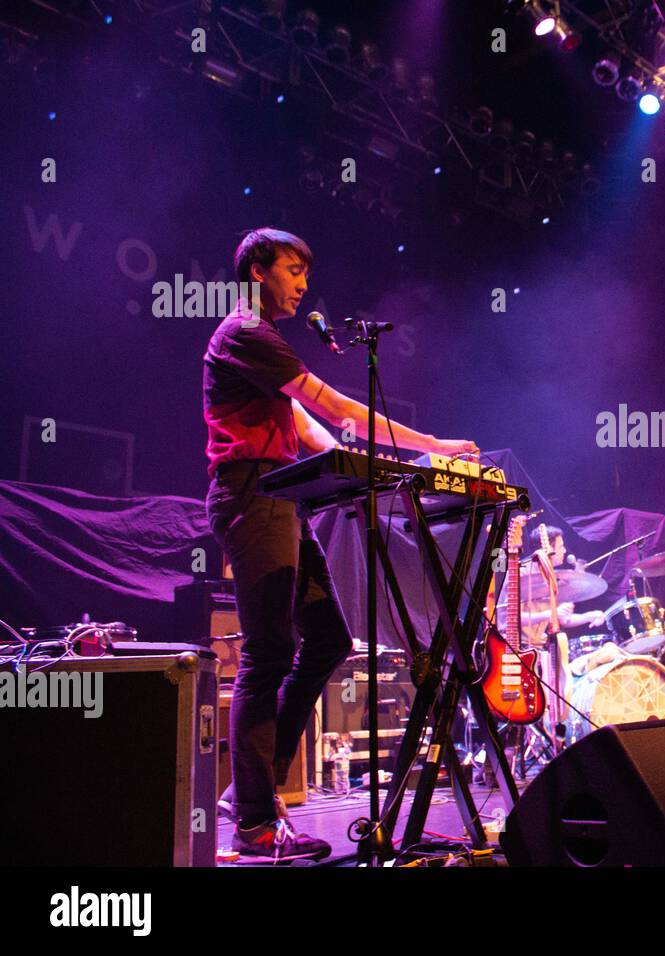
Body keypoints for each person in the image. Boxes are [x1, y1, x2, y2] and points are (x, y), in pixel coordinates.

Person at [203, 227, 478, 862]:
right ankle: (251, 825)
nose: (303, 284)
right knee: (268, 654)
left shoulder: (261, 347)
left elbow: (318, 431)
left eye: (305, 272)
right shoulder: (244, 333)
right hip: (252, 495)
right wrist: (433, 447)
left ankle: (255, 783)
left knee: (327, 639)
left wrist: (376, 472)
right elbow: (338, 407)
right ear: (256, 272)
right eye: (293, 269)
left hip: (280, 497)